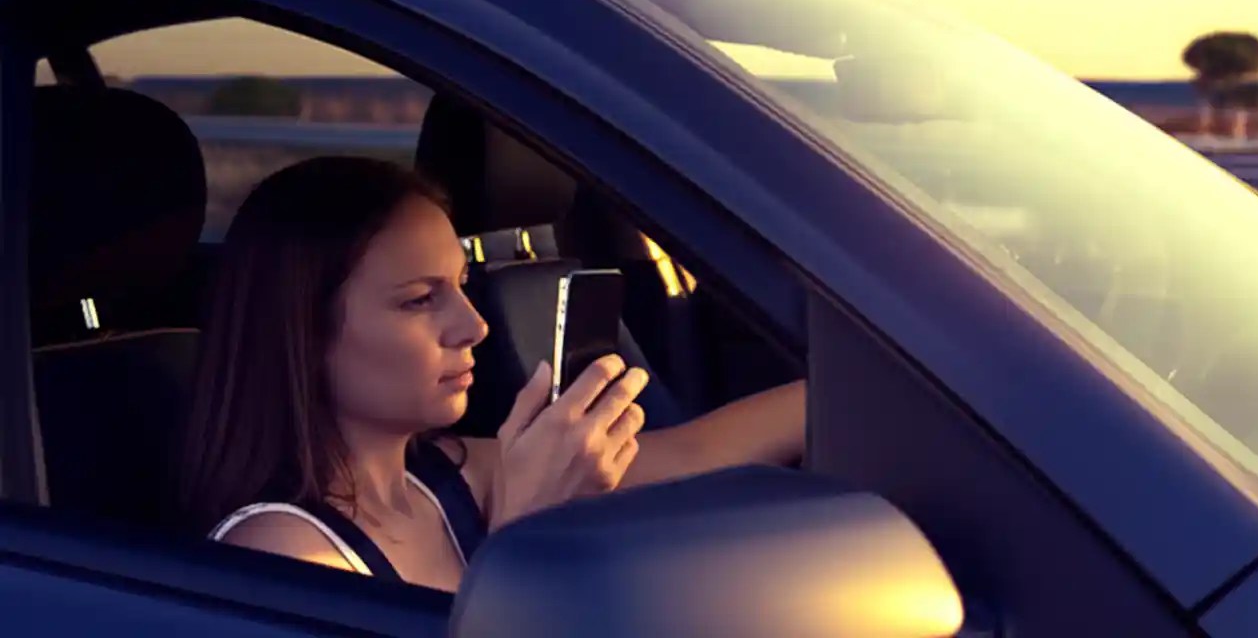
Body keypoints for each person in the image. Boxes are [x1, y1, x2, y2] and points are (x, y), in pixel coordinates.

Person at [180, 155, 805, 592]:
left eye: (461, 285)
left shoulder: (446, 477)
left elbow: (691, 454)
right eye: (420, 300)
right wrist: (524, 536)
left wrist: (865, 385)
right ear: (304, 332)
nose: (474, 326)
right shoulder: (283, 551)